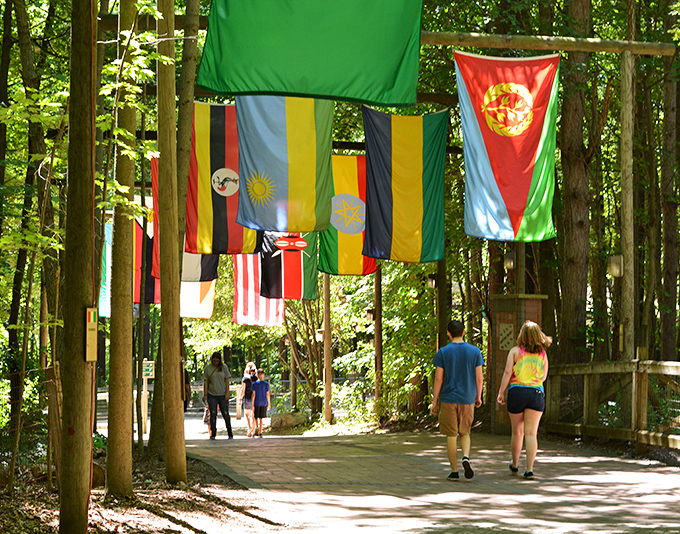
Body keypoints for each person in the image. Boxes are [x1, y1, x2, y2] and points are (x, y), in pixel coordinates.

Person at [497, 320, 551, 479]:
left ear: (522, 335)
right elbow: (543, 376)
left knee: (517, 431)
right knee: (531, 433)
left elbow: (507, 373)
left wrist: (501, 392)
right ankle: (529, 469)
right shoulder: (542, 354)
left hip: (517, 392)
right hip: (536, 394)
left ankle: (514, 464)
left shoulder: (515, 351)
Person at [431, 320, 484, 481]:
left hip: (449, 398)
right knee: (465, 432)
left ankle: (454, 471)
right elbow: (479, 378)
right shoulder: (475, 352)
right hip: (468, 398)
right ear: (463, 332)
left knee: (451, 435)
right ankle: (466, 457)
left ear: (448, 334)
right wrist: (478, 396)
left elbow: (439, 379)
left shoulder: (443, 352)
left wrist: (434, 401)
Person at [202, 351, 234, 440]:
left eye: (217, 361)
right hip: (212, 394)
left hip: (222, 394)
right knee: (213, 414)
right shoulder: (208, 368)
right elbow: (206, 382)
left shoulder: (224, 367)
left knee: (225, 414)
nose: (216, 363)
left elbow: (227, 381)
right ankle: (213, 433)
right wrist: (205, 394)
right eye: (214, 361)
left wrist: (227, 392)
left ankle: (230, 433)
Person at [237, 362, 258, 438]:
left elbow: (243, 389)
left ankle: (249, 428)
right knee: (253, 415)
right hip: (256, 398)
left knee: (246, 414)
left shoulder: (245, 378)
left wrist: (240, 399)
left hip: (248, 398)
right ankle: (253, 430)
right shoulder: (256, 377)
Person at [251, 368, 271, 438]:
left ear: (257, 375)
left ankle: (256, 427)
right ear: (263, 375)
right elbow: (267, 394)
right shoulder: (266, 384)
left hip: (256, 402)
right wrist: (269, 403)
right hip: (263, 402)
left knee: (255, 417)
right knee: (261, 418)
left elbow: (253, 394)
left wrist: (252, 404)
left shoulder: (254, 384)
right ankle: (260, 432)